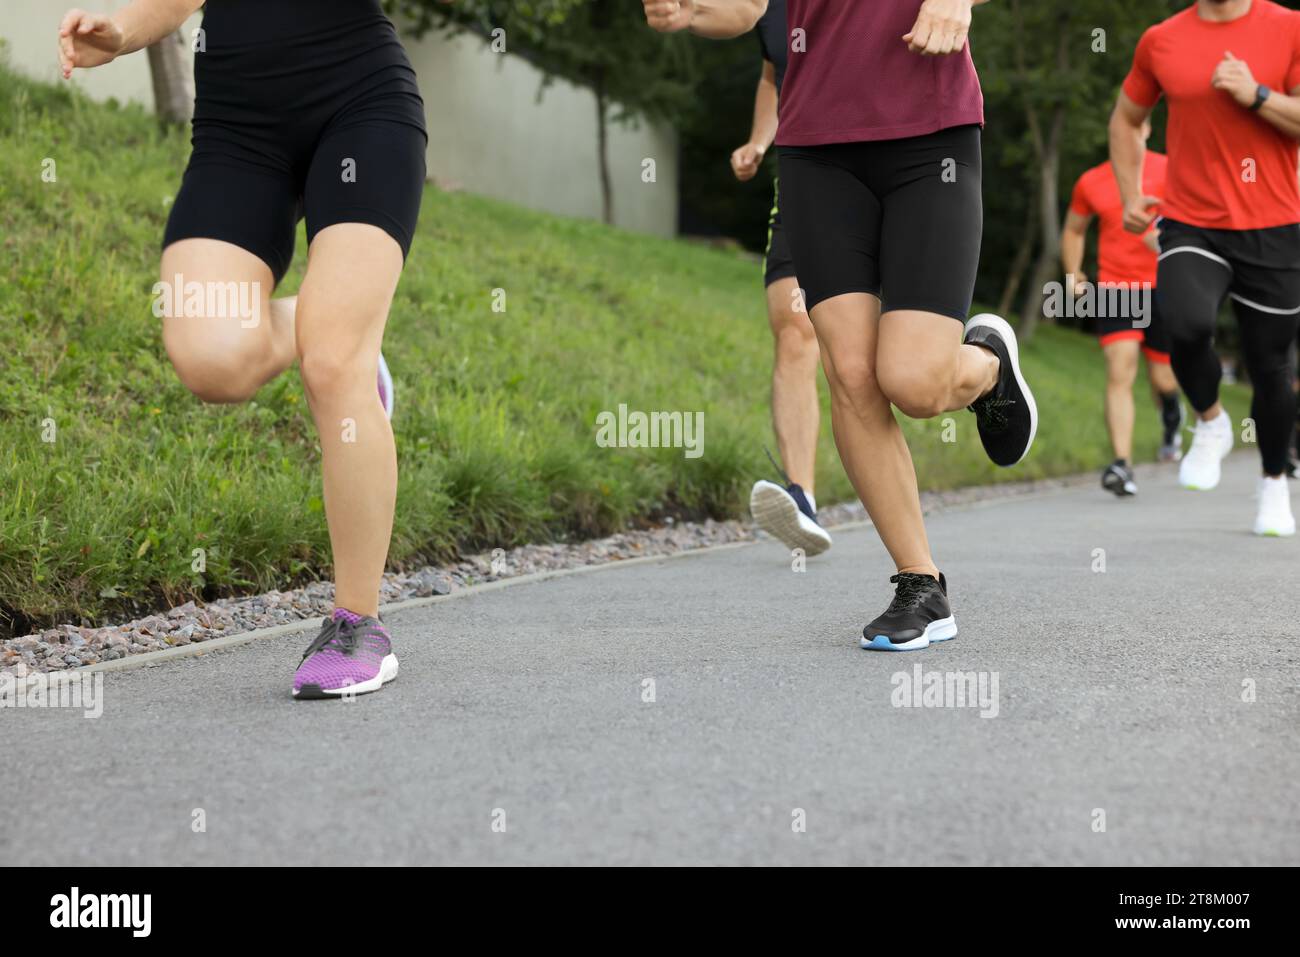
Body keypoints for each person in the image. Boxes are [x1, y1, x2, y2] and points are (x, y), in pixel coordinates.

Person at [58, 0, 431, 695]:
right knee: (211, 359)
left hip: (361, 107)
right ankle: (329, 327)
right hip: (239, 131)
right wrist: (123, 31)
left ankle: (358, 623)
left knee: (331, 365)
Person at [646, 0, 1039, 651]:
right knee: (851, 373)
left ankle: (988, 364)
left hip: (929, 133)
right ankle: (920, 583)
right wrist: (686, 10)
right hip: (817, 151)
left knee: (913, 382)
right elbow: (749, 8)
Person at [1110, 0, 1300, 536]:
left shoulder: (1289, 27)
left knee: (1271, 366)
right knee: (1185, 324)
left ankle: (1272, 485)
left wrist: (1257, 95)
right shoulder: (1161, 39)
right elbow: (1127, 117)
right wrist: (1130, 192)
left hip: (1274, 225)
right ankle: (1211, 421)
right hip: (1192, 220)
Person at [732, 0, 832, 556]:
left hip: (895, 173)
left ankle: (982, 372)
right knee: (796, 325)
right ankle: (803, 497)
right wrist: (759, 140)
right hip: (803, 175)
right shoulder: (769, 8)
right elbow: (774, 72)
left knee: (900, 369)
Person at [1061, 127, 1185, 497]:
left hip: (1166, 286)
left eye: (1136, 126)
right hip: (1117, 288)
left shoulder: (1171, 170)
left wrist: (1168, 241)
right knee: (1120, 369)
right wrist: (1072, 274)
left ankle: (1172, 413)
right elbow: (1073, 229)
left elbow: (1200, 218)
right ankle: (1121, 464)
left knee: (1163, 379)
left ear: (1146, 130)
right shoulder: (1092, 182)